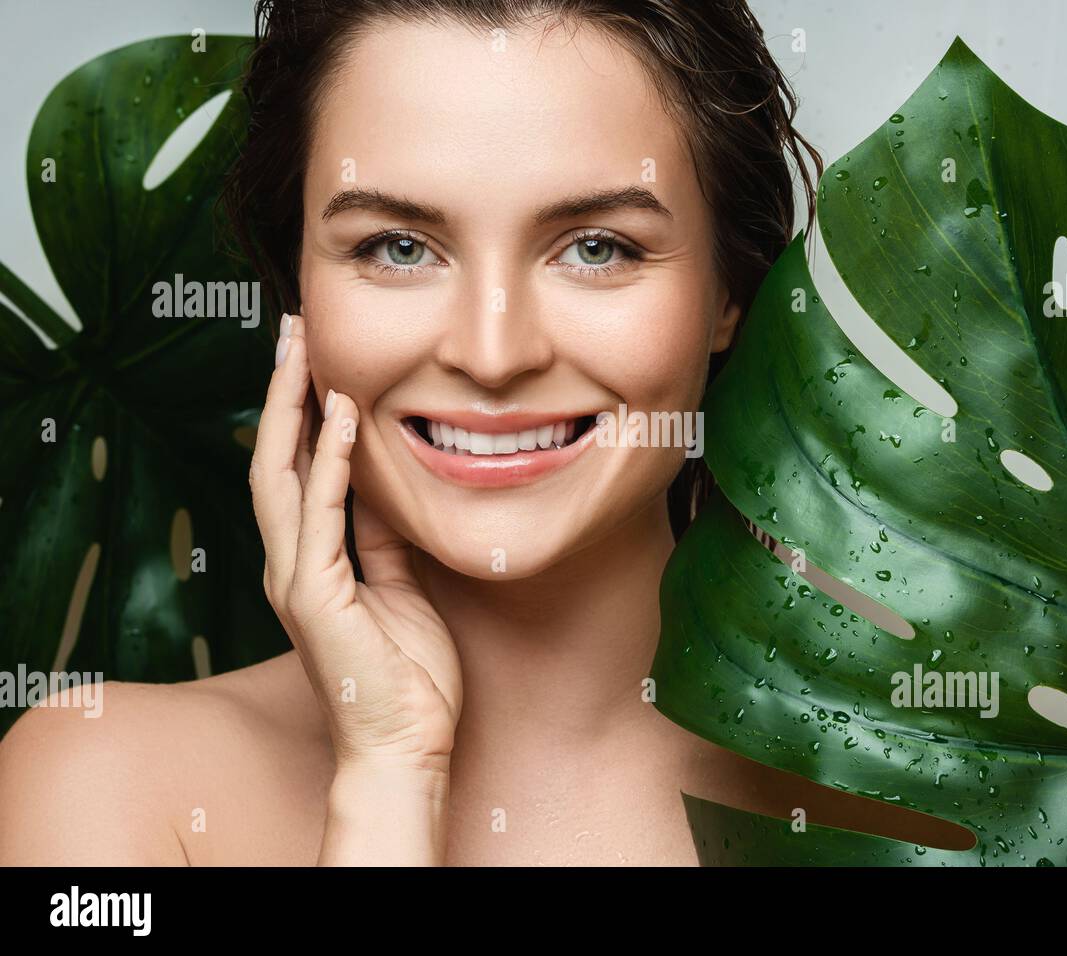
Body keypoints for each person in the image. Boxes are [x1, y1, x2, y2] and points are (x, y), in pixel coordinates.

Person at [0, 0, 971, 865]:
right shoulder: (104, 783)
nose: (492, 353)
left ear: (729, 293)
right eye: (398, 247)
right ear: (299, 293)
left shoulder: (926, 794)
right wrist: (388, 777)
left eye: (596, 248)